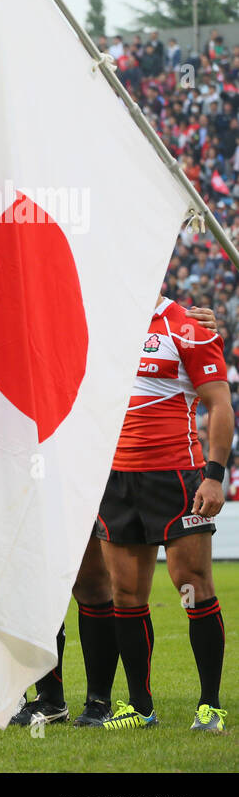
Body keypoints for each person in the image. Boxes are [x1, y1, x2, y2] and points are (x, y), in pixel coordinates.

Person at [97, 295, 231, 732]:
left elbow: (220, 403)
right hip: (116, 481)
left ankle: (209, 706)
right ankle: (139, 707)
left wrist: (215, 475)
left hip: (175, 478)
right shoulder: (97, 324)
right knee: (126, 594)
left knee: (191, 588)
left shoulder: (186, 323)